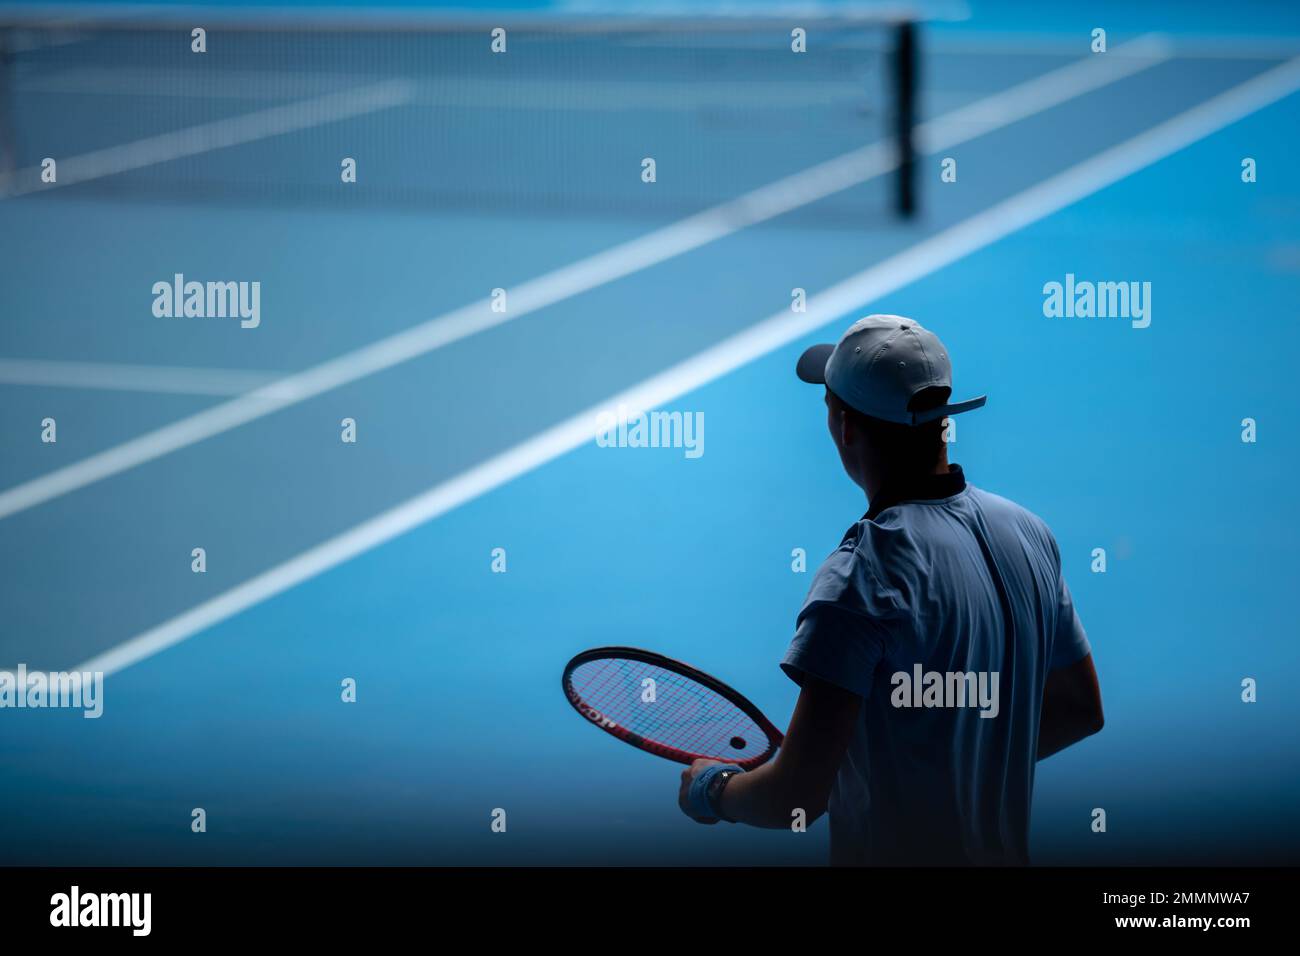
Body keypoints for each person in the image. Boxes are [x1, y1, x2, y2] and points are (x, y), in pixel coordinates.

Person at [678, 314, 1103, 865]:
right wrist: (959, 761)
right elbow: (1079, 709)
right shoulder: (1027, 532)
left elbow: (795, 798)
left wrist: (712, 792)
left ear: (846, 427)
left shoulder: (861, 576)